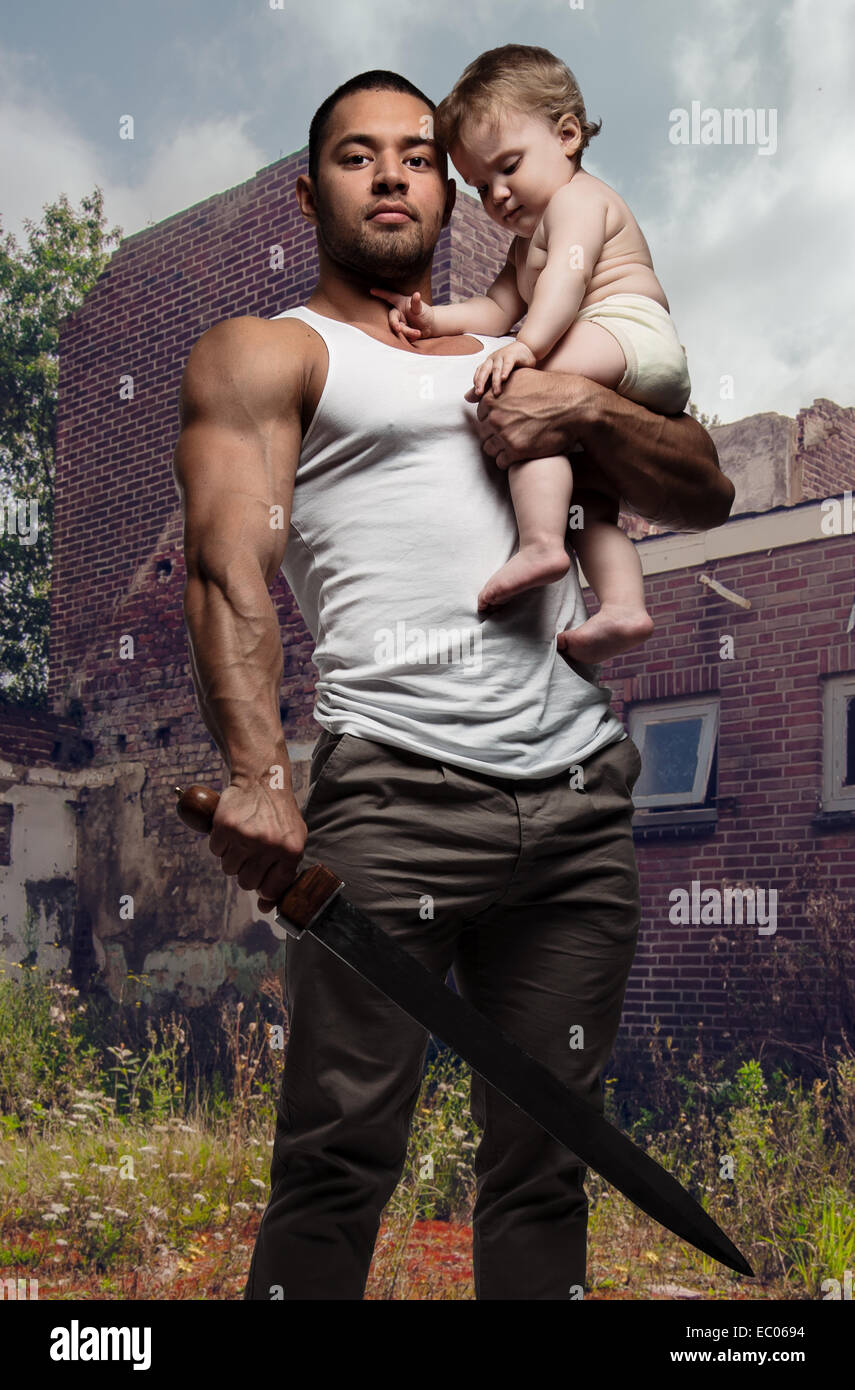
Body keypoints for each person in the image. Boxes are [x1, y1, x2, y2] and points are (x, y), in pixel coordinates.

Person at [172, 68, 734, 1301]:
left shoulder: (532, 333)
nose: (392, 174)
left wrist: (573, 399)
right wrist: (261, 777)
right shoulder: (270, 353)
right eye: (356, 154)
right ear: (308, 186)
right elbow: (228, 570)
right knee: (336, 1161)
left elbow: (702, 484)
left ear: (453, 183)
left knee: (546, 1165)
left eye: (419, 154)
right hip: (397, 803)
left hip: (581, 811)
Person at [372, 44, 691, 665]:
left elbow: (566, 286)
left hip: (627, 331)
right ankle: (624, 609)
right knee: (592, 508)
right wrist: (432, 318)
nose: (498, 195)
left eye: (509, 167)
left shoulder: (580, 200)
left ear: (567, 135)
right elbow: (495, 309)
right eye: (480, 186)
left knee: (523, 400)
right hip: (616, 360)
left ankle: (539, 544)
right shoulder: (524, 247)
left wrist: (526, 350)